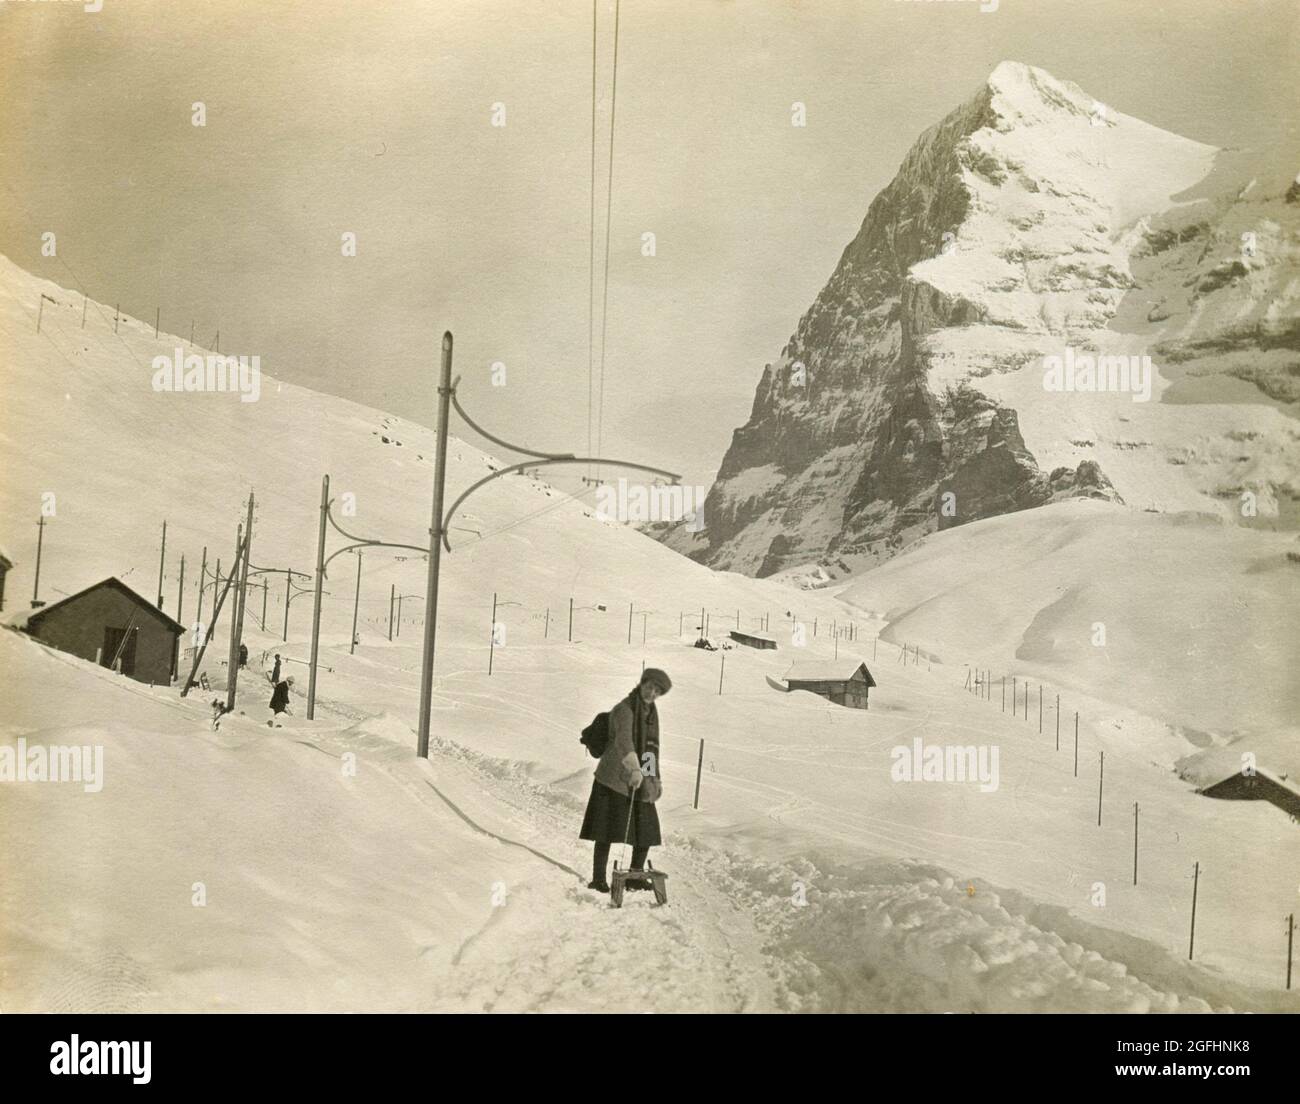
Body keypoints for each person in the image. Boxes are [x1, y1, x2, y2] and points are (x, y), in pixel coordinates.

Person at [579, 667, 671, 894]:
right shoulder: (625, 709)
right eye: (649, 687)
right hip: (612, 779)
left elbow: (649, 749)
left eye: (657, 691)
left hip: (637, 780)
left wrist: (651, 778)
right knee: (605, 830)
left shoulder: (650, 714)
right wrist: (635, 769)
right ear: (641, 684)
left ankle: (635, 876)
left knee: (646, 831)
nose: (651, 693)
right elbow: (623, 742)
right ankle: (598, 879)